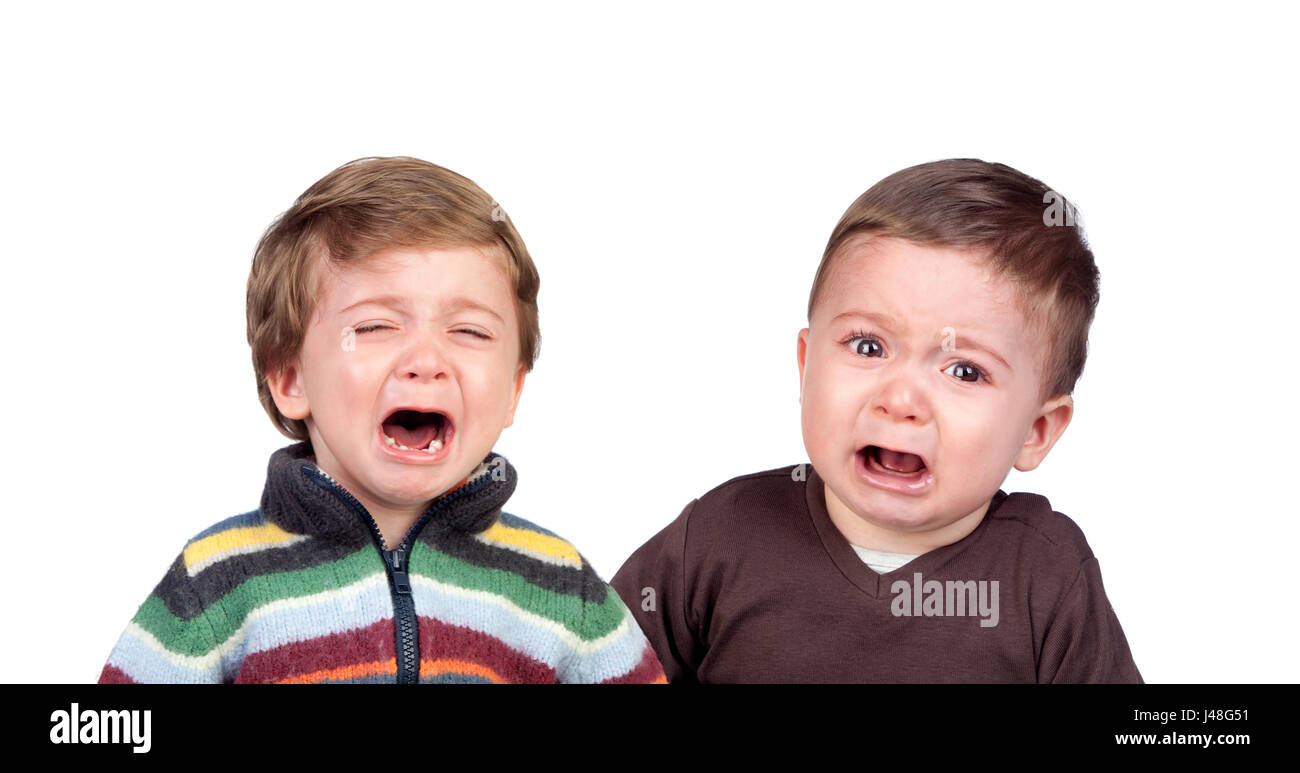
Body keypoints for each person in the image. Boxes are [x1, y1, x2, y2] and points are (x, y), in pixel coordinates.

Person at [100, 156, 665, 684]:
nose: (426, 362)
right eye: (373, 327)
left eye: (469, 331)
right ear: (291, 378)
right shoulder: (216, 584)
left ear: (514, 390)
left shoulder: (564, 590)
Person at [612, 159, 1141, 683]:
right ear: (805, 365)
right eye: (868, 346)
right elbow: (587, 665)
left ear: (1036, 431)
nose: (902, 398)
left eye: (965, 371)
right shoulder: (721, 536)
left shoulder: (1044, 576)